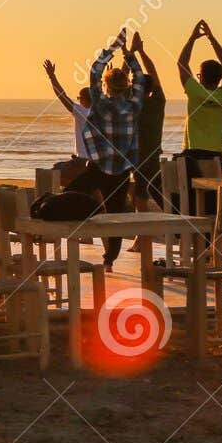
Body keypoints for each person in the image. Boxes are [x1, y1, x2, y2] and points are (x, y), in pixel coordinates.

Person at [76, 30, 146, 271]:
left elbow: (95, 69)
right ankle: (108, 262)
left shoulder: (100, 103)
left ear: (106, 85)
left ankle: (76, 230)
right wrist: (129, 53)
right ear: (126, 85)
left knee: (72, 193)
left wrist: (114, 46)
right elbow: (140, 78)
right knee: (115, 215)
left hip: (98, 166)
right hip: (120, 171)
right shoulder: (134, 105)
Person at [176, 18, 222, 190]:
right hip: (216, 155)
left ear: (200, 77)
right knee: (212, 197)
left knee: (181, 191)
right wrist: (211, 38)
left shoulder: (196, 92)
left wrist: (192, 39)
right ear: (220, 78)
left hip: (193, 154)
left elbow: (181, 64)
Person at [129, 31, 165, 210]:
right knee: (143, 192)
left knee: (140, 194)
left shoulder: (132, 103)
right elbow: (154, 73)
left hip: (136, 157)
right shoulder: (159, 101)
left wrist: (130, 52)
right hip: (153, 155)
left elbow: (119, 79)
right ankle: (146, 231)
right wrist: (141, 52)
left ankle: (143, 233)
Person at [42, 59, 92, 180]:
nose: (78, 100)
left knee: (51, 174)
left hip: (82, 162)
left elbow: (62, 96)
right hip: (93, 161)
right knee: (58, 167)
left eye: (79, 98)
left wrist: (52, 77)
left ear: (84, 99)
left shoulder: (83, 113)